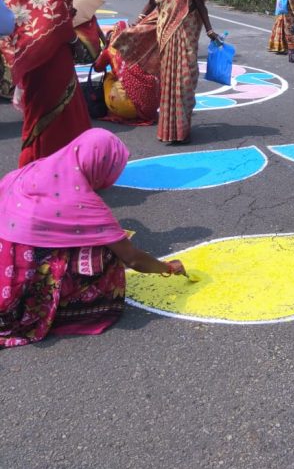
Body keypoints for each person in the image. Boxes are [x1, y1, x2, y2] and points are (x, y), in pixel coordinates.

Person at [0, 129, 186, 348]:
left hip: (6, 260)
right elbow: (132, 259)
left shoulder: (39, 167)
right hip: (24, 280)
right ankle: (72, 306)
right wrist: (168, 268)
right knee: (106, 253)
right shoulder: (81, 201)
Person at [0, 0, 91, 167]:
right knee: (60, 113)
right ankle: (56, 169)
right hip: (53, 57)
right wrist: (75, 42)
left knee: (40, 111)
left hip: (30, 55)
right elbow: (59, 20)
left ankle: (35, 166)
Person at [131, 0, 220, 145]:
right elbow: (152, 3)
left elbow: (201, 8)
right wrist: (138, 20)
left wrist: (209, 30)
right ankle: (171, 131)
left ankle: (183, 127)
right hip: (165, 38)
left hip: (186, 38)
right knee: (168, 85)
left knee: (185, 82)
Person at [94, 20, 160, 124]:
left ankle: (115, 107)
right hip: (150, 108)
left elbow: (97, 68)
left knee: (109, 76)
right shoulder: (139, 46)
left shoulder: (111, 50)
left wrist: (105, 50)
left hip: (126, 109)